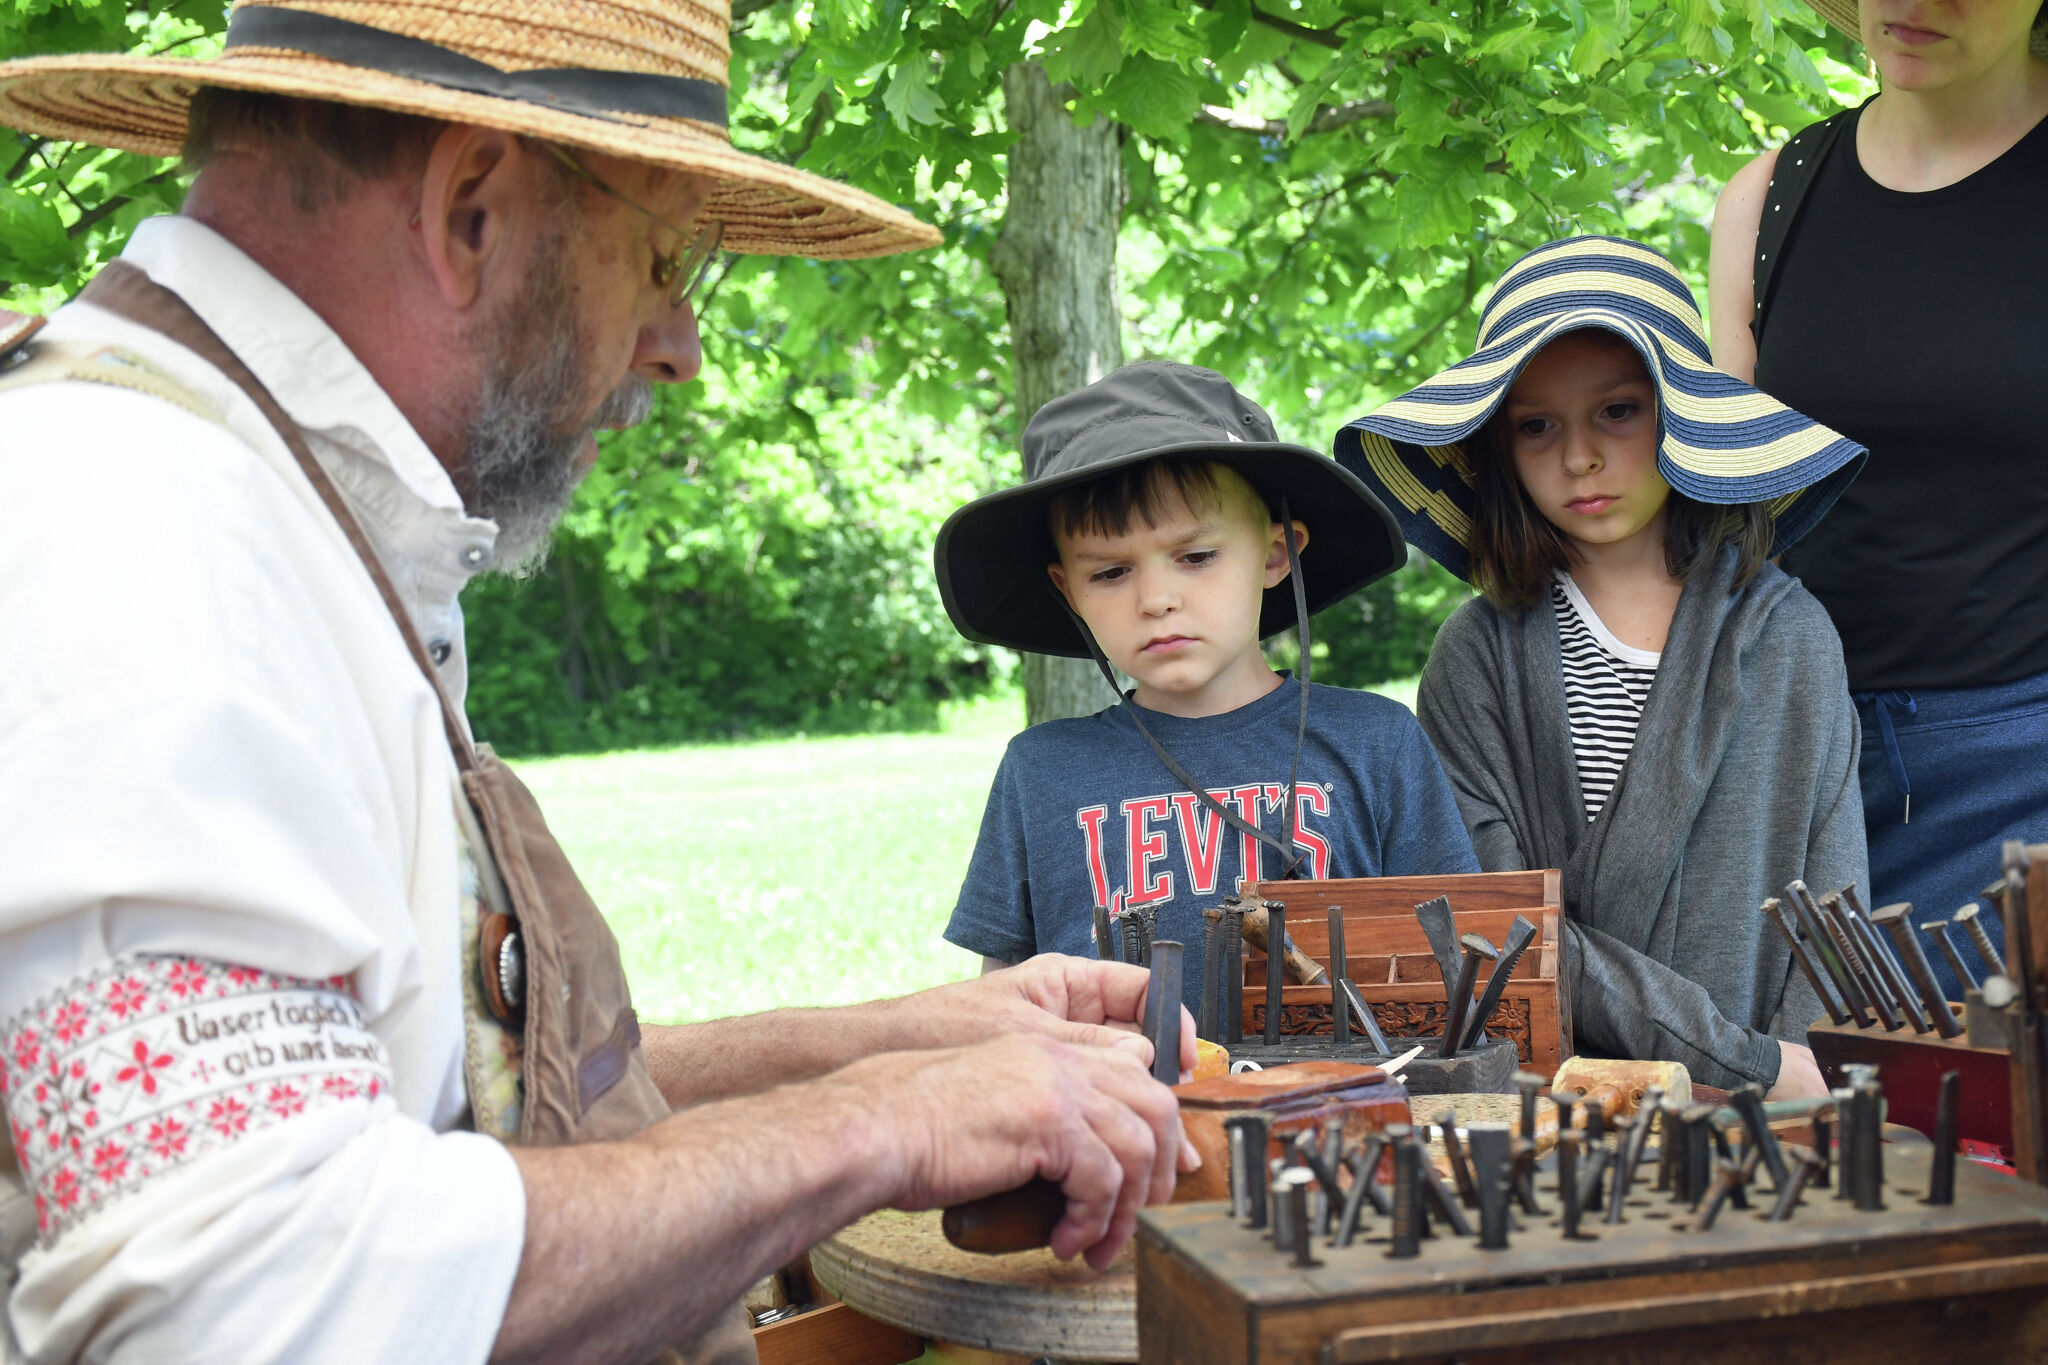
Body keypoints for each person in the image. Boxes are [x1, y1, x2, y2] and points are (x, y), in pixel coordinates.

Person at [0, 2, 1200, 1362]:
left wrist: (897, 1047)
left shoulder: (245, 505)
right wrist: (883, 1123)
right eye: (663, 258)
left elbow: (437, 1103)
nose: (678, 347)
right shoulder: (139, 528)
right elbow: (244, 1288)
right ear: (471, 211)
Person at [1334, 236, 1870, 1096]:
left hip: (1782, 1109)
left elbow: (1835, 911)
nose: (1578, 456)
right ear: (1498, 450)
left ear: (1680, 414)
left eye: (1617, 410)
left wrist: (1808, 1076)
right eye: (1536, 425)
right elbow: (1501, 927)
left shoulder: (1791, 636)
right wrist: (1743, 1059)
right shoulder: (1476, 659)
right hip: (1553, 1097)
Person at [935, 362, 1480, 1008]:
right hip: (1116, 1108)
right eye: (1110, 572)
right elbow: (1004, 1002)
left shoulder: (1377, 743)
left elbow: (1459, 955)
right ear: (1068, 590)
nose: (1157, 598)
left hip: (1340, 1103)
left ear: (1276, 554)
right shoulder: (1040, 772)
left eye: (1195, 557)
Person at [1707, 0, 2048, 996]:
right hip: (1796, 760)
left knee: (1989, 1135)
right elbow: (1725, 508)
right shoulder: (1768, 196)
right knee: (1827, 1129)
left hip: (2020, 766)